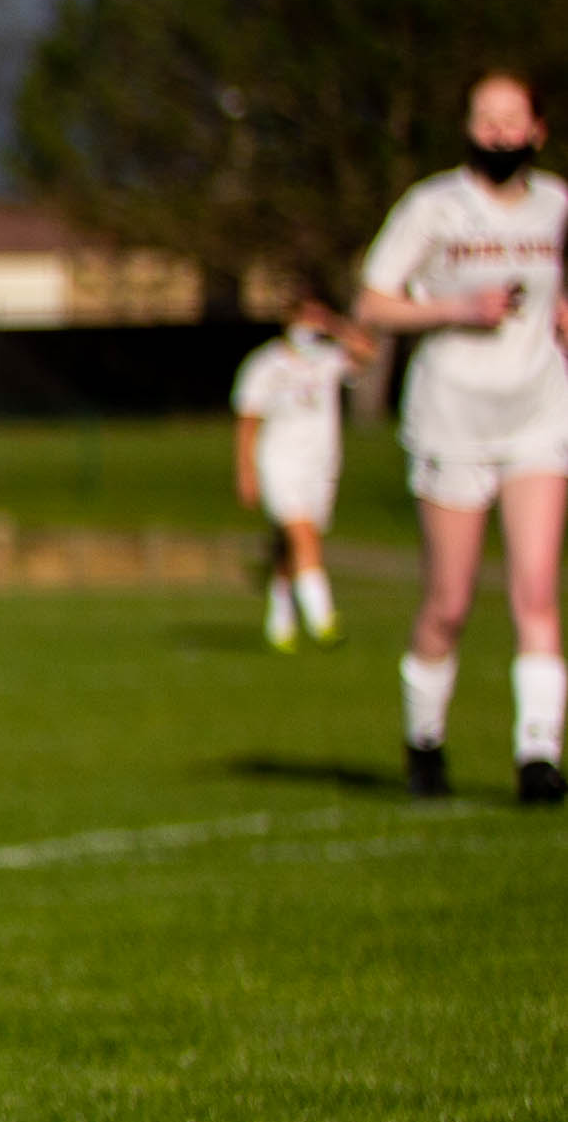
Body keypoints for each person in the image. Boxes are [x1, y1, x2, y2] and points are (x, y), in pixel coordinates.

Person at [354, 71, 568, 803]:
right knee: (449, 601)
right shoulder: (434, 206)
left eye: (513, 119)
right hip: (453, 415)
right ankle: (425, 742)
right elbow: (373, 301)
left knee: (537, 589)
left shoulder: (558, 205)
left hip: (539, 414)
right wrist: (454, 307)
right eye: (486, 118)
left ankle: (538, 757)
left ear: (537, 129)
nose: (500, 132)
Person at [229, 291, 361, 652]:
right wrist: (245, 471)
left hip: (321, 462)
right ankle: (324, 619)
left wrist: (335, 324)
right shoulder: (265, 365)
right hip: (279, 460)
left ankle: (281, 615)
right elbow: (248, 420)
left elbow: (368, 352)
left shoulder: (330, 358)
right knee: (303, 536)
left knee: (297, 543)